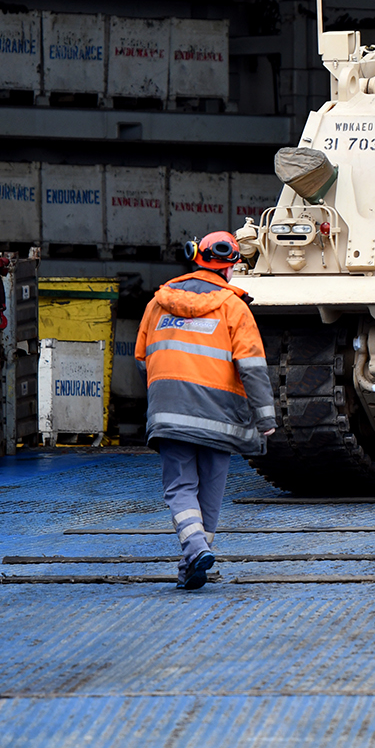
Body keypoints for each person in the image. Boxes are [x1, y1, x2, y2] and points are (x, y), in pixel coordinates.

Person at [135, 231, 276, 589]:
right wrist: (265, 417)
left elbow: (141, 359)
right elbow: (253, 367)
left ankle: (194, 554)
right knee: (210, 492)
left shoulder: (157, 304)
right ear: (230, 268)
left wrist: (166, 392)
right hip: (220, 416)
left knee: (180, 487)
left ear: (196, 258)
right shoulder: (234, 307)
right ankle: (197, 556)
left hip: (170, 413)